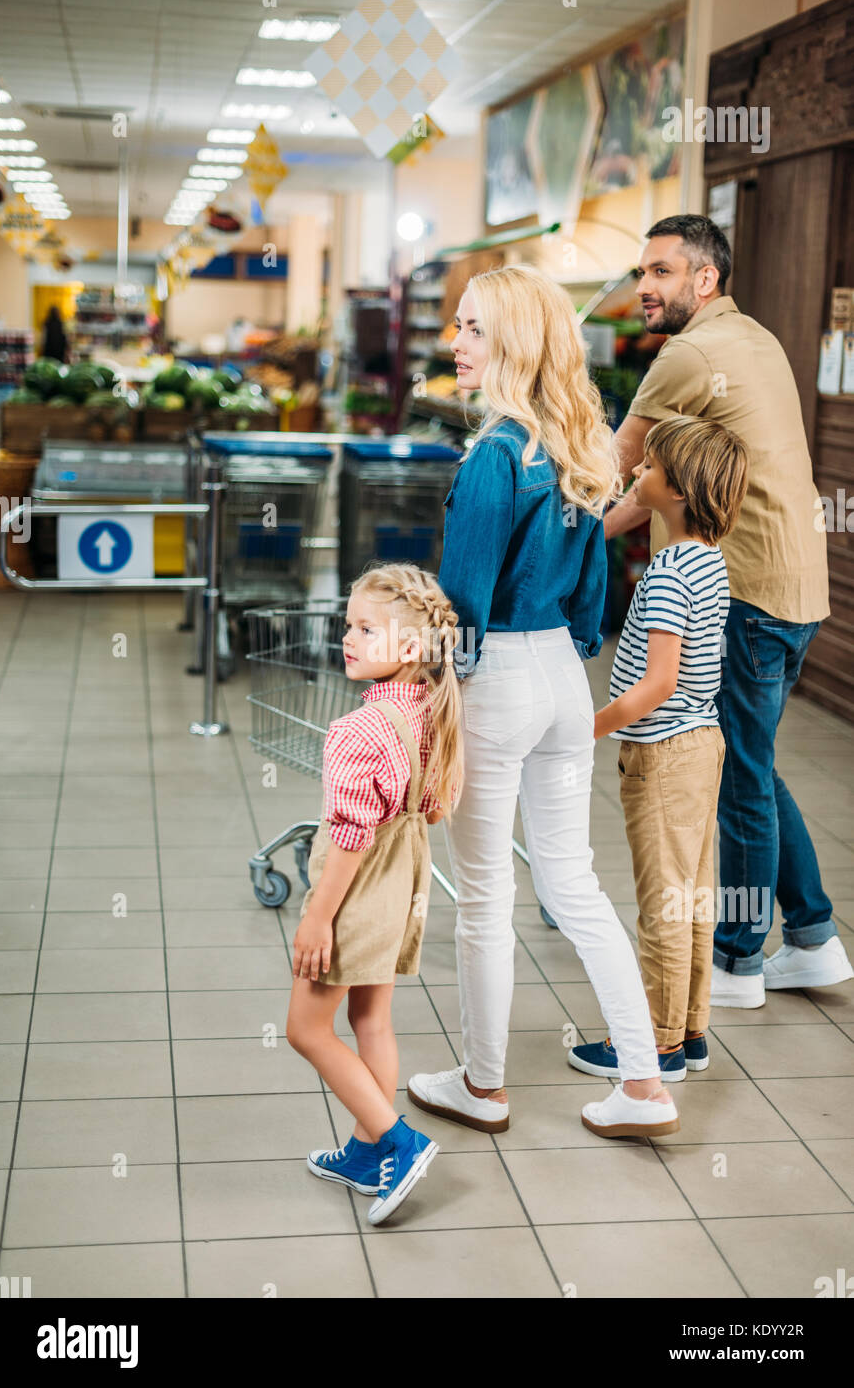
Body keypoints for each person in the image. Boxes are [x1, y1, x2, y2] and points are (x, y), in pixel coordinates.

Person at [407, 263, 680, 1141]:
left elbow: (460, 601)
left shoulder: (494, 454)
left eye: (474, 328)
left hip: (498, 684)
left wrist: (428, 698)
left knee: (483, 894)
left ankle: (481, 1085)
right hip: (565, 676)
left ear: (515, 341)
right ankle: (643, 1083)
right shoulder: (575, 448)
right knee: (574, 885)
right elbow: (593, 587)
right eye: (456, 325)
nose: (456, 342)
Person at [604, 214, 853, 1005]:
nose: (644, 286)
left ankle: (738, 959)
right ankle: (810, 937)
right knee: (753, 762)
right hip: (798, 586)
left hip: (747, 590)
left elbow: (617, 467)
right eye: (641, 272)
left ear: (703, 280)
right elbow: (652, 485)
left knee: (735, 774)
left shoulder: (687, 352)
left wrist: (556, 538)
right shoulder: (756, 337)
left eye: (662, 273)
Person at [569, 415, 747, 1084]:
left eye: (646, 467)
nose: (635, 475)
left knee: (661, 903)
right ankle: (689, 1030)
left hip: (666, 754)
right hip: (701, 745)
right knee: (692, 897)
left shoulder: (670, 571)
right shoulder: (708, 561)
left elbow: (658, 683)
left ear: (677, 488)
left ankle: (655, 1046)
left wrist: (587, 727)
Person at [285, 563, 462, 1226]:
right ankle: (365, 1153)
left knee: (306, 1028)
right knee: (370, 1020)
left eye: (365, 628)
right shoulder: (431, 709)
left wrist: (317, 919)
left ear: (411, 649)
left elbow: (351, 839)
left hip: (355, 891)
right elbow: (434, 805)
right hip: (404, 884)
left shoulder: (357, 732)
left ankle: (397, 1140)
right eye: (347, 625)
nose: (347, 638)